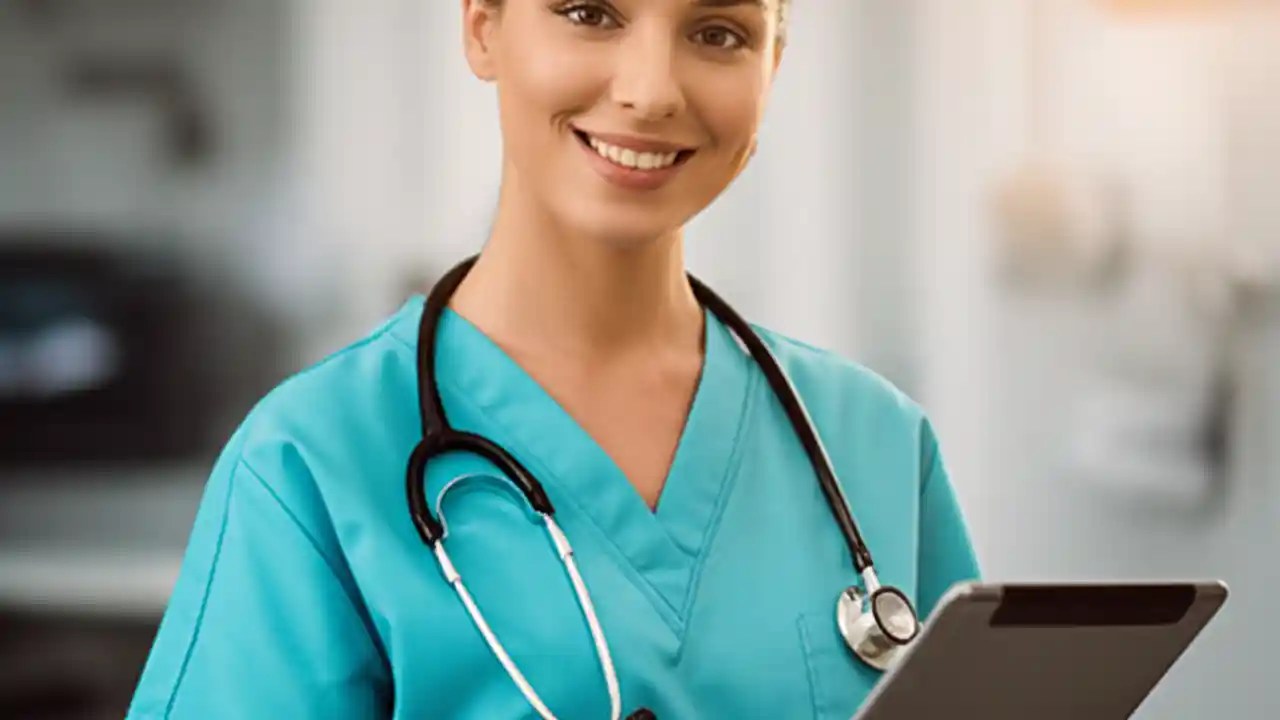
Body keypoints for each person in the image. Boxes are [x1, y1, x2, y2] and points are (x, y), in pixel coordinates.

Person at [127, 1, 979, 717]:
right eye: (589, 12)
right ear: (484, 26)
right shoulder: (310, 461)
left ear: (774, 66)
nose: (651, 92)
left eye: (719, 32)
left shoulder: (877, 442)